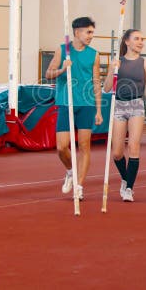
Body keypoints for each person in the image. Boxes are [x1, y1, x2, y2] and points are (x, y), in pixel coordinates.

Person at [45, 16, 103, 201]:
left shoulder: (94, 54)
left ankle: (79, 185)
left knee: (85, 146)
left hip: (86, 104)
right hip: (65, 102)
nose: (91, 36)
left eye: (92, 32)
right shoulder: (62, 50)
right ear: (77, 32)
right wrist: (62, 69)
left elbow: (96, 82)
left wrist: (99, 110)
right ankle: (71, 171)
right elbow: (48, 74)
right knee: (62, 147)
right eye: (88, 32)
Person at [103, 29, 146, 202]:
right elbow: (106, 88)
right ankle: (125, 178)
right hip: (119, 106)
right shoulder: (117, 62)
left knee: (134, 147)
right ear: (127, 42)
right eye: (137, 39)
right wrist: (111, 71)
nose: (141, 42)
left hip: (137, 105)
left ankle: (129, 188)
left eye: (142, 39)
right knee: (117, 153)